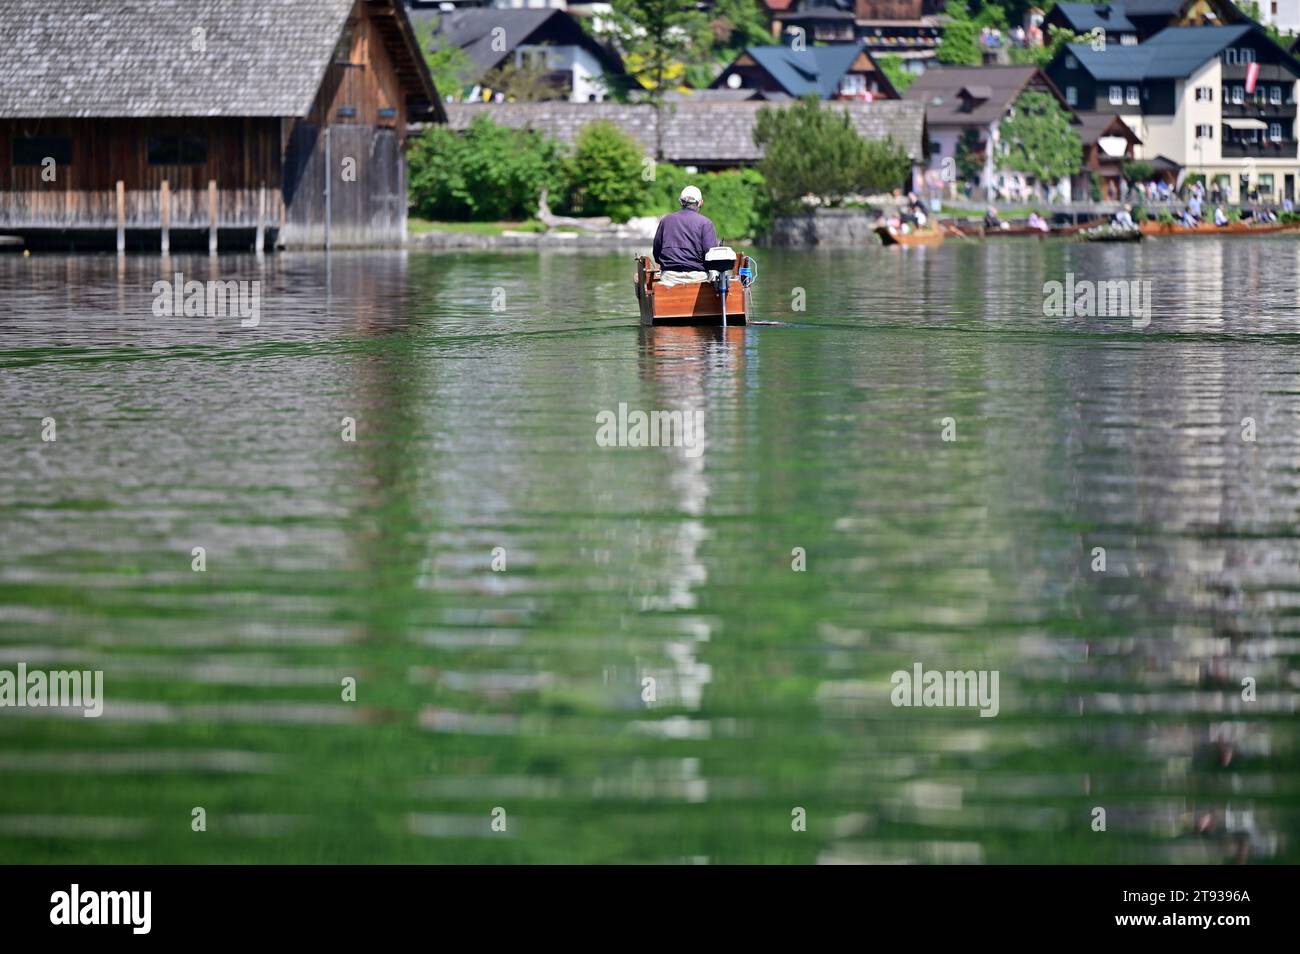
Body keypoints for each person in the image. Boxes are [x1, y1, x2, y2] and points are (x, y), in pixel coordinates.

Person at [652, 185, 719, 288]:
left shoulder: (666, 220)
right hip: (698, 278)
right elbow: (711, 255)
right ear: (701, 202)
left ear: (680, 202)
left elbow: (656, 251)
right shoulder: (706, 223)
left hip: (669, 278)